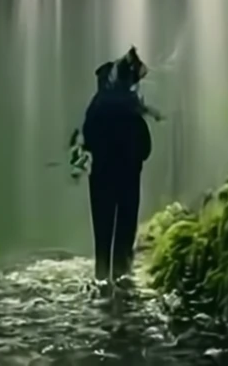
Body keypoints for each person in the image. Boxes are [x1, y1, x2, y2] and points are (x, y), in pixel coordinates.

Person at [80, 50, 154, 281]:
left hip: (101, 176)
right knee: (125, 229)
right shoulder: (129, 105)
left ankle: (102, 276)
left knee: (103, 232)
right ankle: (122, 277)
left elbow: (88, 139)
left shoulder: (97, 105)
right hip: (128, 176)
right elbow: (145, 145)